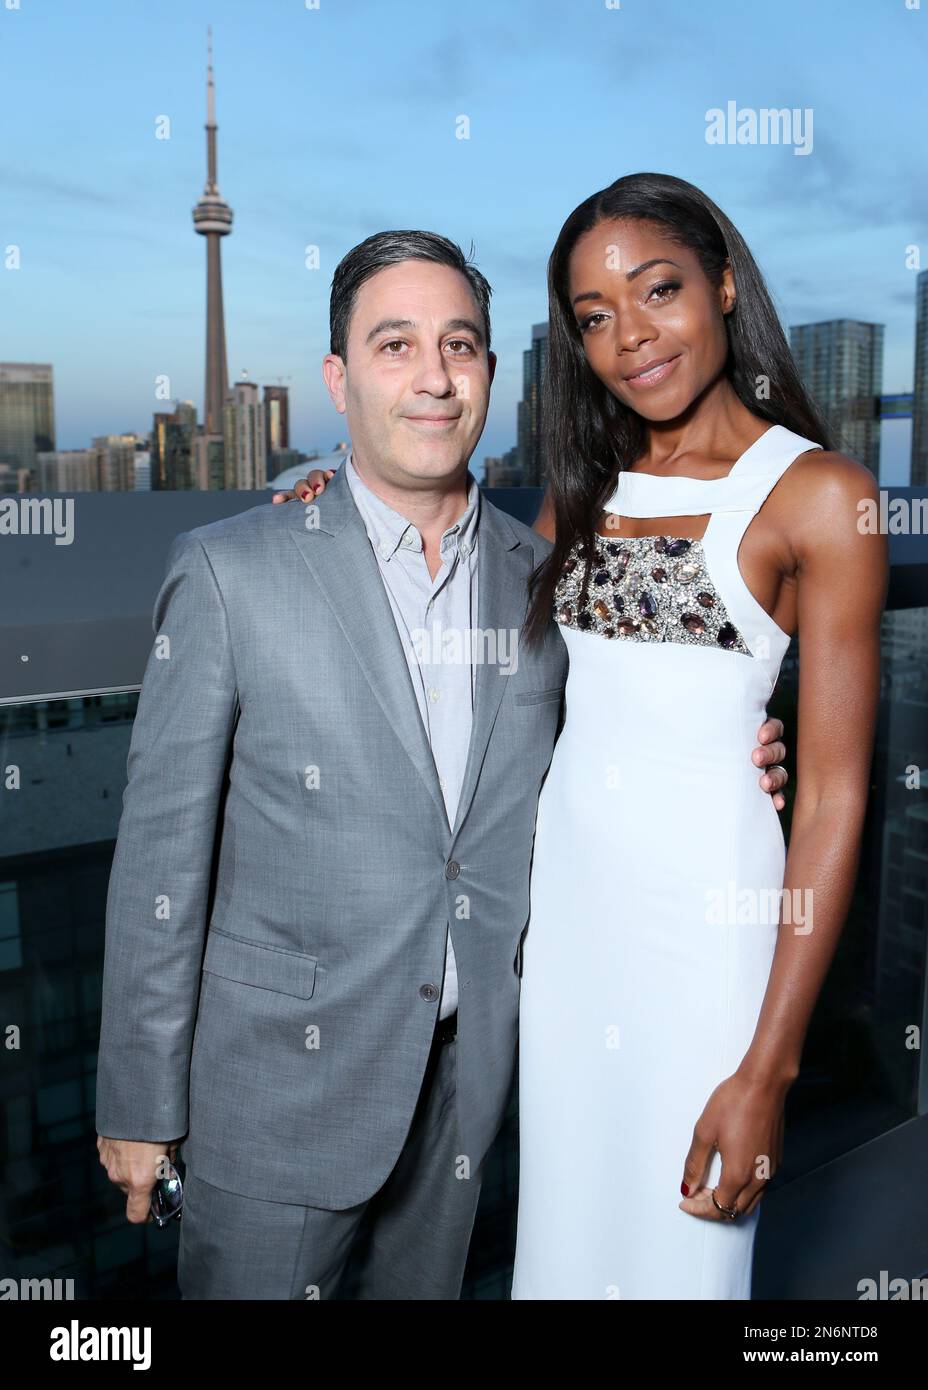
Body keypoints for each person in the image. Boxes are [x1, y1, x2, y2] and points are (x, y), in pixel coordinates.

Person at [96, 228, 787, 1301]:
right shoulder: (233, 573)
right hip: (275, 1103)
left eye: (459, 346)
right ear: (336, 378)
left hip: (468, 1097)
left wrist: (732, 753)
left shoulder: (546, 574)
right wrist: (138, 1105)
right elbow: (158, 861)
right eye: (394, 346)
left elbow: (614, 725)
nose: (433, 377)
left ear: (490, 373)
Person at [285, 174, 885, 1300]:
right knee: (563, 1247)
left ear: (721, 283)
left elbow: (838, 799)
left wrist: (770, 1066)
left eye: (657, 290)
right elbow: (464, 578)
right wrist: (333, 495)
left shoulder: (818, 497)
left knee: (684, 1252)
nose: (631, 337)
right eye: (594, 319)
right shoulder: (583, 488)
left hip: (710, 927)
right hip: (563, 928)